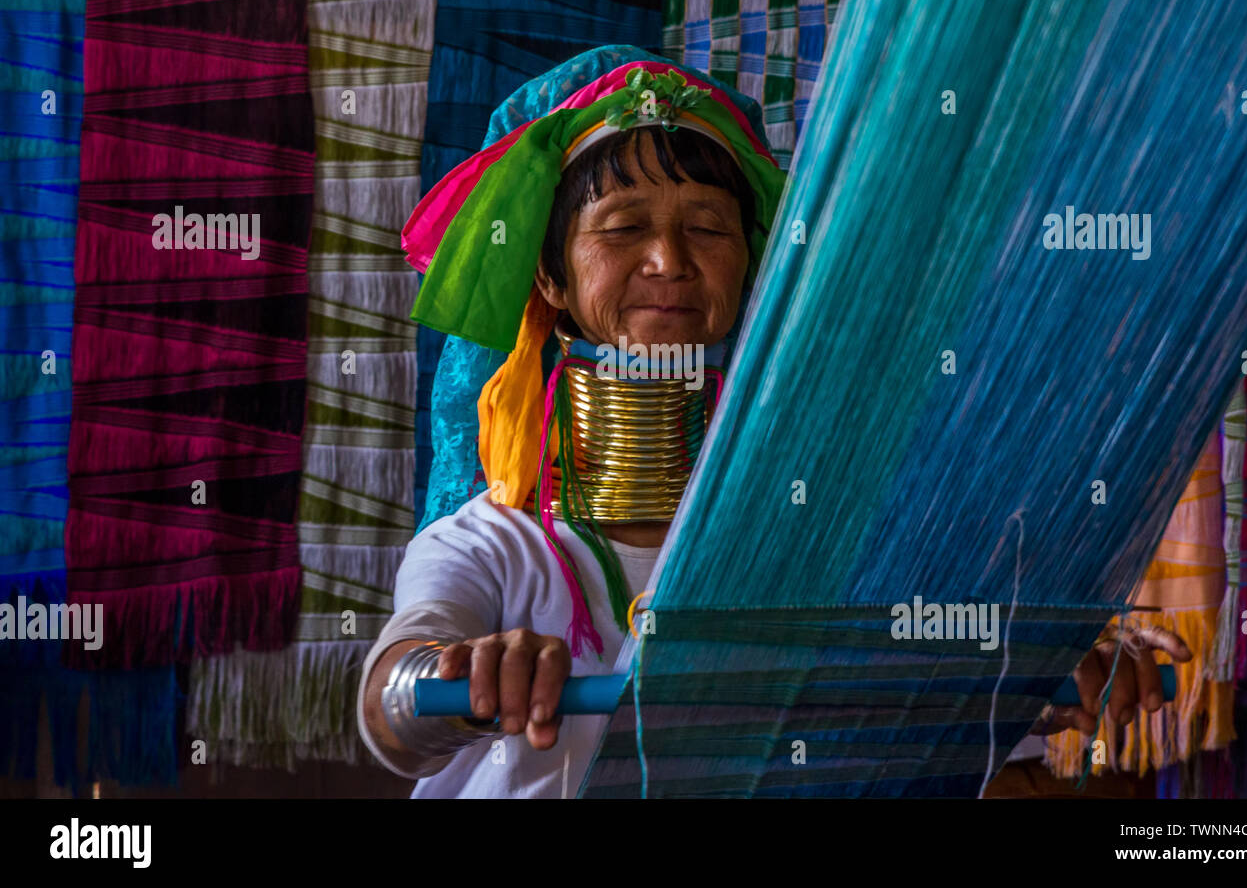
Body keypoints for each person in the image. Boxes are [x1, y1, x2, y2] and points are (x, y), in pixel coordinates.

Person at [357, 46, 1191, 798]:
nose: (670, 261)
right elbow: (392, 713)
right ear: (548, 278)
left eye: (709, 228)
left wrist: (1034, 672)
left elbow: (921, 686)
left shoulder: (812, 536)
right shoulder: (491, 546)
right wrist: (457, 678)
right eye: (623, 229)